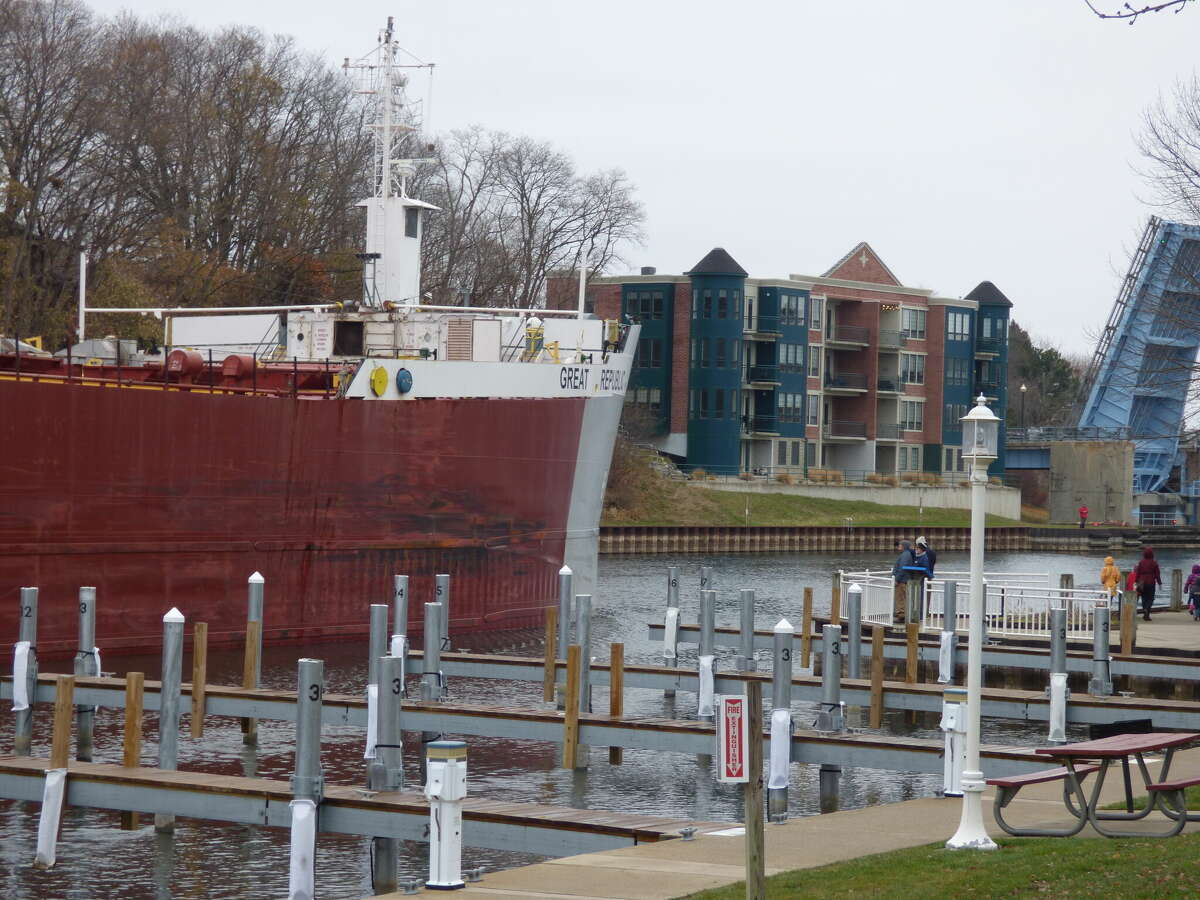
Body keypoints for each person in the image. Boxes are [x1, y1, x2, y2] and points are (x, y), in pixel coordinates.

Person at [1132, 547, 1162, 621]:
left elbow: (1138, 573)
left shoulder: (1141, 562)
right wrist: (1159, 583)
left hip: (1141, 582)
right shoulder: (1154, 563)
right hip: (1151, 581)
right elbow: (1157, 574)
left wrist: (1136, 581)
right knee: (1150, 598)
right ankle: (1147, 612)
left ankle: (1144, 608)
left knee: (1143, 597)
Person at [892, 539, 914, 624]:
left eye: (900, 545)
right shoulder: (906, 554)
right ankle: (901, 614)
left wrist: (897, 579)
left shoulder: (905, 555)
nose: (899, 546)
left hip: (901, 581)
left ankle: (901, 616)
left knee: (900, 598)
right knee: (902, 598)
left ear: (904, 546)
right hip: (903, 580)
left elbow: (902, 568)